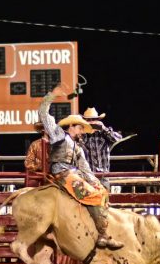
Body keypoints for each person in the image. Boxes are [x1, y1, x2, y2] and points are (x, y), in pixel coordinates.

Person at [39, 88, 122, 250]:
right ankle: (102, 235)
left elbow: (85, 169)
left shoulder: (78, 147)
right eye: (81, 127)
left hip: (72, 174)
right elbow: (43, 113)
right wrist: (52, 96)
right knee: (92, 194)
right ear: (72, 126)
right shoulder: (58, 134)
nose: (83, 130)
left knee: (100, 192)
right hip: (62, 174)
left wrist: (96, 182)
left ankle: (98, 233)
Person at [79, 106, 123, 190]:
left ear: (98, 120)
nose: (91, 122)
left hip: (103, 175)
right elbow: (78, 146)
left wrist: (103, 129)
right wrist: (84, 131)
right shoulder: (82, 134)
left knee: (104, 198)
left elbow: (117, 138)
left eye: (93, 119)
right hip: (88, 175)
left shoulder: (104, 133)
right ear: (85, 121)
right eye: (89, 120)